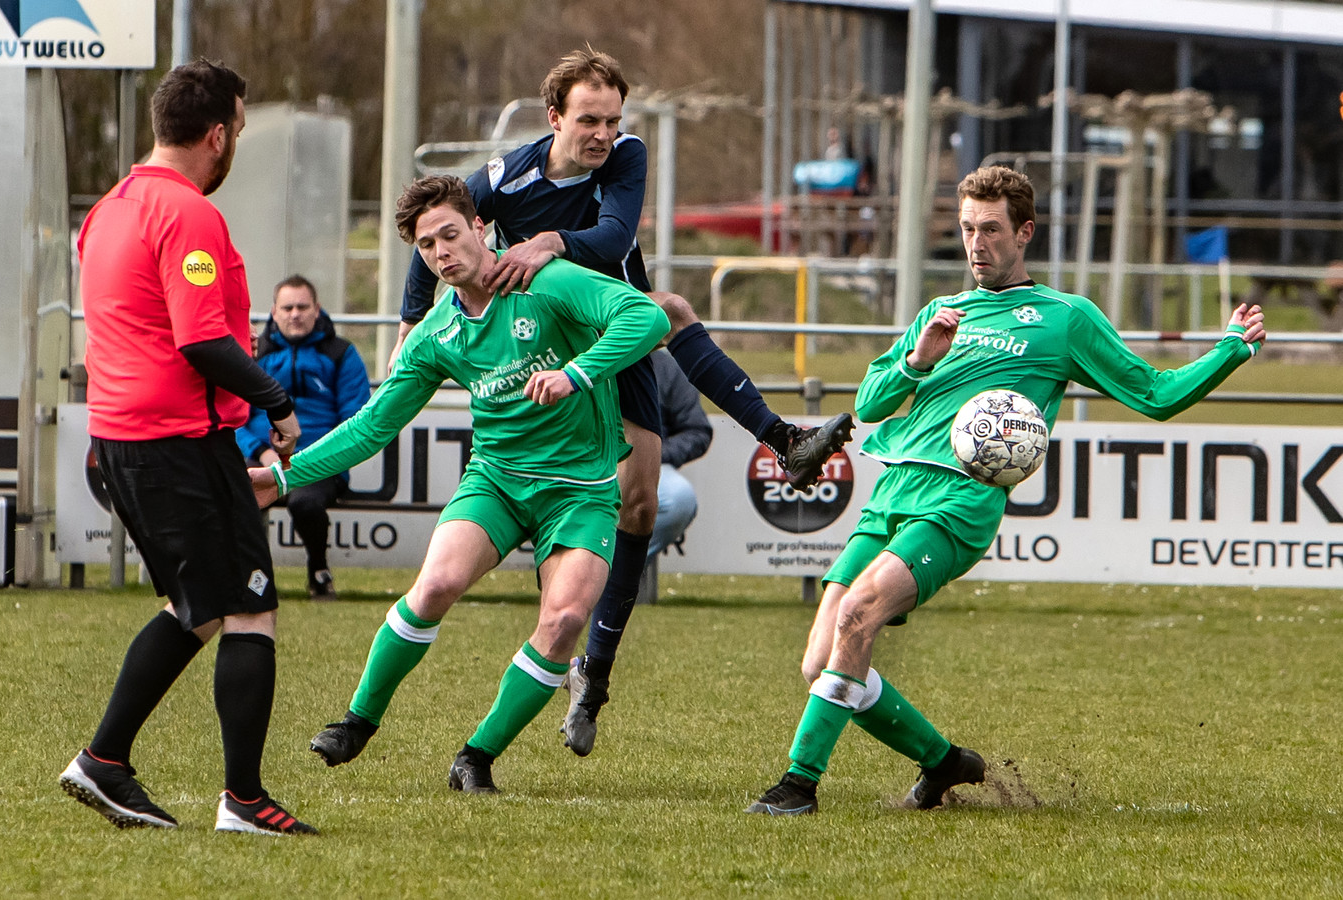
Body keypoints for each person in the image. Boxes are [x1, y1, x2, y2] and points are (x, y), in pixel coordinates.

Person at [746, 165, 1266, 816]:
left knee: (859, 617)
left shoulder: (1064, 319)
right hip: (891, 494)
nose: (975, 243)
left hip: (960, 500)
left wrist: (1229, 350)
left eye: (990, 229)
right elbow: (872, 401)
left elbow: (1154, 395)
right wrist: (918, 359)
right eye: (966, 229)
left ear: (1024, 232)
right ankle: (943, 763)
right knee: (820, 663)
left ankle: (798, 786)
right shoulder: (942, 312)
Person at [391, 48, 854, 757]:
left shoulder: (625, 158)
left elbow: (614, 238)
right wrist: (408, 324)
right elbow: (434, 225)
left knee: (640, 502)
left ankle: (593, 676)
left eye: (612, 118)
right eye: (589, 120)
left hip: (614, 334)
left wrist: (548, 243)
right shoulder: (502, 177)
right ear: (555, 118)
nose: (604, 132)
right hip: (545, 348)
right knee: (668, 309)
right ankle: (781, 439)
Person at [248, 175, 669, 794]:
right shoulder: (436, 334)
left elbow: (646, 317)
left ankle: (477, 755)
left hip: (580, 488)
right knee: (436, 583)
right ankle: (358, 721)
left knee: (565, 619)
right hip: (496, 481)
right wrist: (282, 476)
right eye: (426, 245)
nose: (442, 251)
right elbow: (370, 427)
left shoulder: (546, 282)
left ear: (481, 229)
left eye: (450, 233)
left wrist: (577, 374)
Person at [59, 59, 317, 836]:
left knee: (200, 607)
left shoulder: (109, 207)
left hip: (125, 439)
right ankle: (241, 799)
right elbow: (201, 338)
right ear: (215, 134)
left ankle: (106, 762)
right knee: (248, 608)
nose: (234, 142)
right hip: (177, 443)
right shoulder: (188, 212)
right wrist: (276, 403)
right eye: (235, 129)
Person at [238, 275, 371, 599]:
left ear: (317, 309)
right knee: (234, 496)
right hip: (262, 455)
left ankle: (319, 572)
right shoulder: (253, 352)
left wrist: (309, 460)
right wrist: (265, 453)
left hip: (320, 460)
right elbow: (236, 417)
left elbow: (355, 421)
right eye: (287, 307)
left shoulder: (342, 353)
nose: (295, 314)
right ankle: (252, 582)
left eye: (302, 306)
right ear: (273, 311)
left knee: (306, 503)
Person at [645, 348, 711, 559]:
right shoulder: (576, 351)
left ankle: (613, 574)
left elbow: (697, 430)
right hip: (581, 463)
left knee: (678, 496)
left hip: (647, 465)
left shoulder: (667, 366)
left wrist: (653, 455)